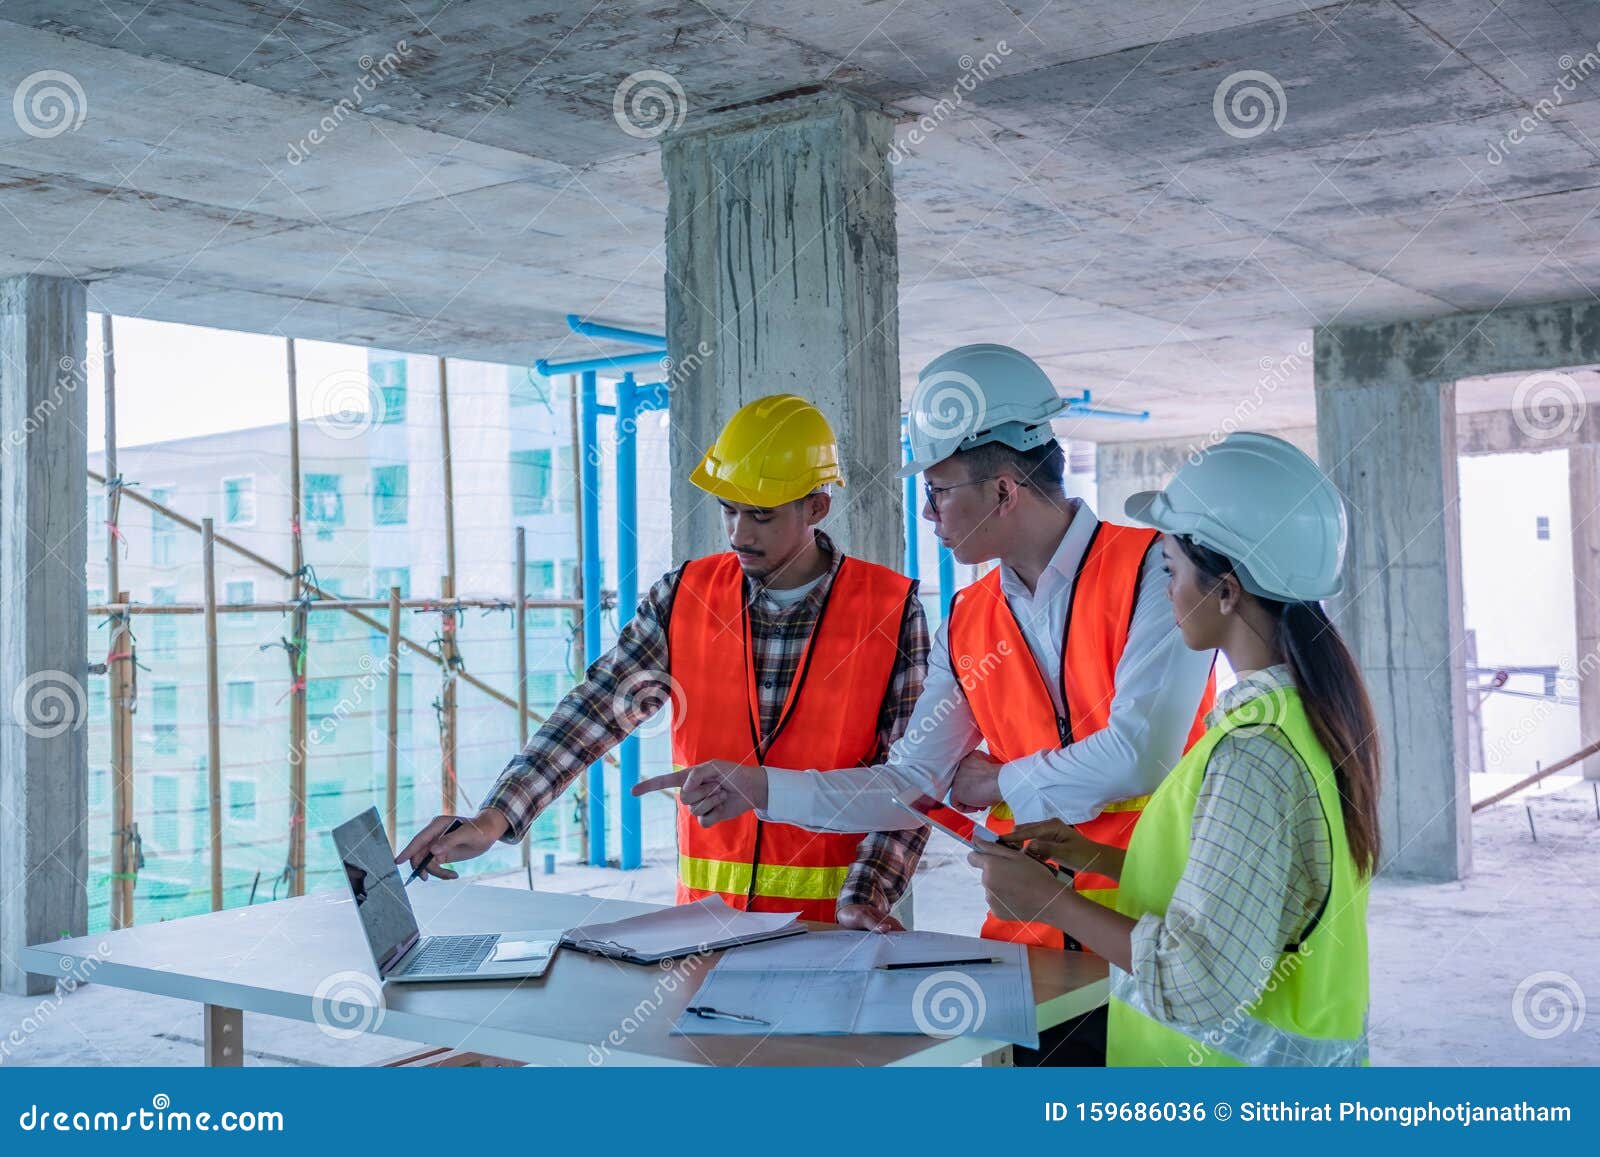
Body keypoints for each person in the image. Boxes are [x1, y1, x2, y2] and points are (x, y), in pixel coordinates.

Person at [636, 344, 1217, 1064]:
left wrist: (998, 782)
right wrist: (760, 788)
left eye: (939, 490)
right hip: (1029, 950)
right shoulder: (969, 618)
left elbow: (1138, 755)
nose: (926, 510)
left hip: (1157, 935)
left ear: (1002, 491)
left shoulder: (1154, 568)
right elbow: (910, 784)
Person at [396, 394, 931, 930]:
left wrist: (865, 895)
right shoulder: (685, 597)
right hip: (703, 932)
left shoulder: (889, 609)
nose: (739, 533)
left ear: (816, 507)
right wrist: (496, 816)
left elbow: (914, 778)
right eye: (729, 509)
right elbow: (596, 709)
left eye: (761, 515)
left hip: (833, 933)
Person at [970, 431, 1378, 1066]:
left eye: (1171, 570)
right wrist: (1095, 857)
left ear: (1226, 589)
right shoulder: (1300, 718)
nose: (1166, 591)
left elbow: (1195, 984)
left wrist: (1048, 902)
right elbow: (1245, 895)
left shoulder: (1253, 754)